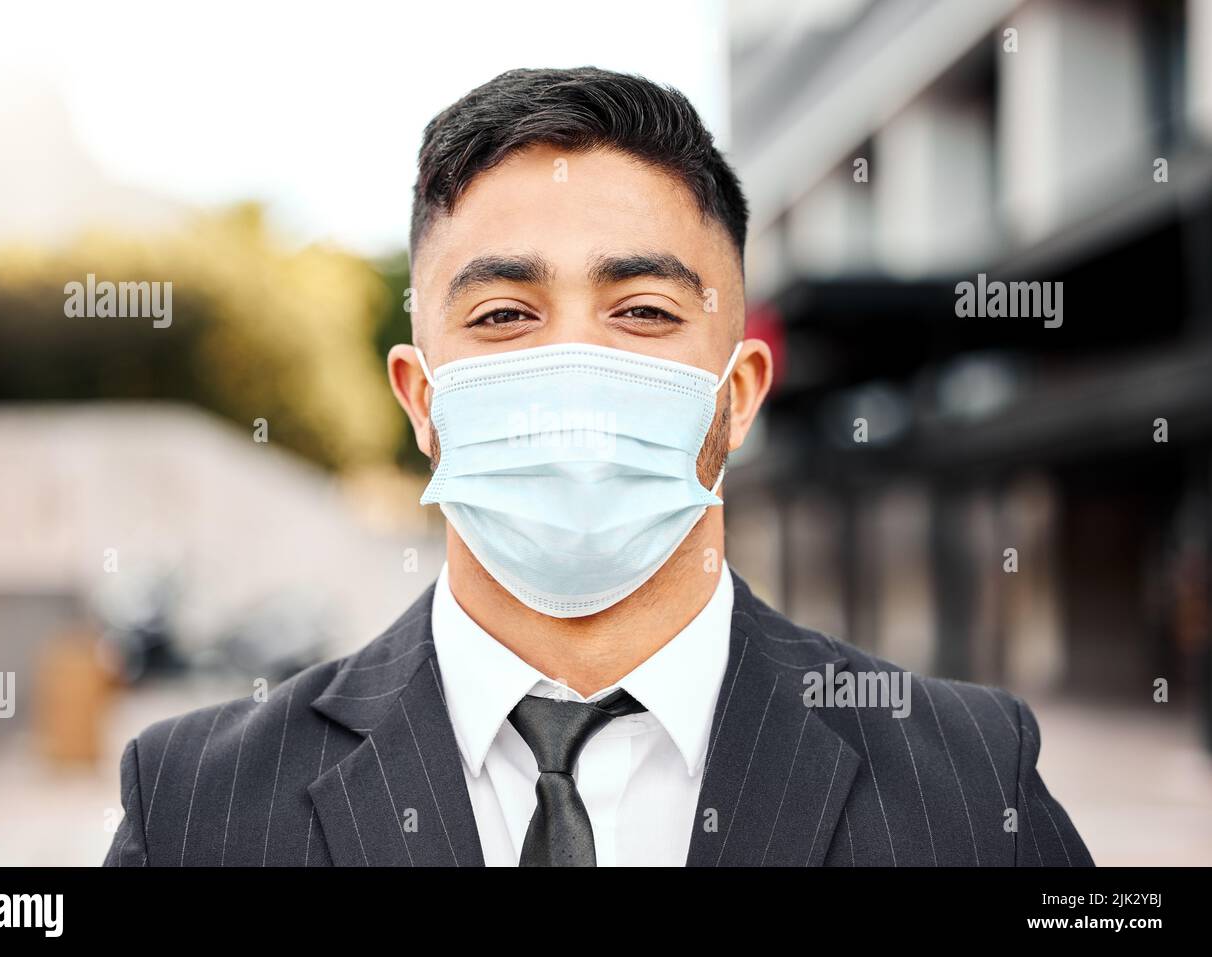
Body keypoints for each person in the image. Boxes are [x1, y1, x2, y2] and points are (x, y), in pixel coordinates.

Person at [105, 67, 1092, 867]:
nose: (568, 370)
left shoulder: (967, 781)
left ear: (737, 394)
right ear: (420, 400)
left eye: (644, 312)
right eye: (502, 317)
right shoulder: (196, 807)